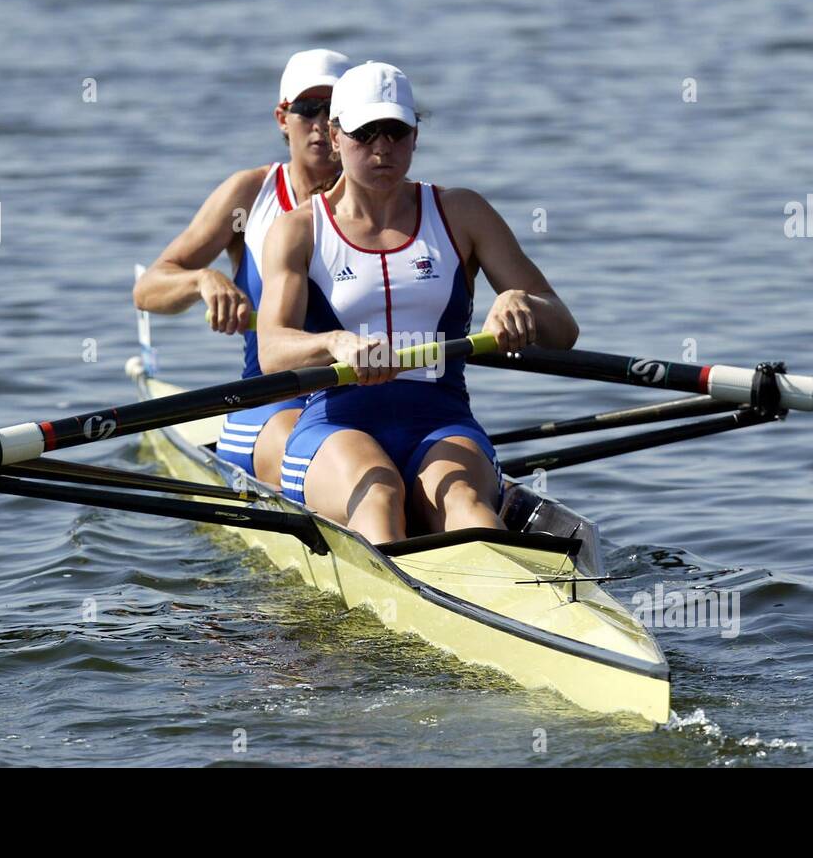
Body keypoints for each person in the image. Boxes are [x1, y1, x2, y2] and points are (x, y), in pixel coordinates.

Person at [256, 62, 578, 543]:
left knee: (464, 502)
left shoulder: (463, 212)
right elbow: (272, 350)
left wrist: (520, 302)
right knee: (380, 494)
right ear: (336, 135)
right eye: (366, 133)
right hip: (336, 424)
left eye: (397, 131)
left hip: (440, 420)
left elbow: (564, 331)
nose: (383, 148)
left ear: (415, 135)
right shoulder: (300, 229)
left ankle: (517, 595)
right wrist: (337, 344)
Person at [133, 49, 350, 486]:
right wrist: (201, 280)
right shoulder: (250, 195)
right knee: (330, 454)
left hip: (359, 396)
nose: (321, 125)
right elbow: (149, 290)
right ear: (281, 118)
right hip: (269, 401)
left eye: (334, 112)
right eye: (308, 110)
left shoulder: (384, 204)